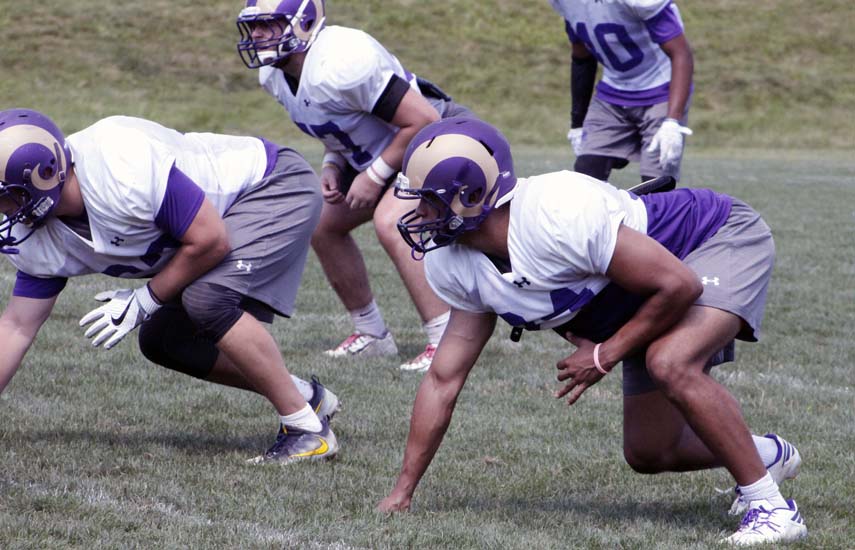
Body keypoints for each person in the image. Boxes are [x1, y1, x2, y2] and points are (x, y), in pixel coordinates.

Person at [376, 118, 807, 546]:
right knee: (650, 452)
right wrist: (402, 492)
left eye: (428, 201)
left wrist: (605, 354)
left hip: (710, 240)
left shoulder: (556, 212)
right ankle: (766, 455)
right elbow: (443, 379)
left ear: (470, 197)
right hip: (641, 298)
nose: (417, 215)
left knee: (671, 362)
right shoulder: (455, 262)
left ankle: (772, 509)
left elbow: (678, 285)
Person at [0, 108, 340, 465]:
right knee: (165, 341)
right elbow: (16, 326)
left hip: (271, 185)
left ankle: (306, 430)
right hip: (221, 223)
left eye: (6, 196)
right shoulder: (34, 235)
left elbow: (210, 240)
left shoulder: (118, 162)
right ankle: (307, 397)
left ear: (42, 177)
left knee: (206, 300)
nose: (4, 210)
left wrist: (145, 299)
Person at [236, 0, 475, 372]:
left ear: (304, 21)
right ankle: (372, 334)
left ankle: (444, 339)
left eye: (269, 23)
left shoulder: (342, 60)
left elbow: (423, 119)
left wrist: (374, 175)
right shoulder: (275, 76)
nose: (258, 35)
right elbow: (338, 126)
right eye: (254, 25)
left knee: (393, 220)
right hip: (390, 153)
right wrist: (333, 164)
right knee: (321, 222)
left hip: (439, 139)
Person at [550, 0, 694, 184]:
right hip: (613, 94)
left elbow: (681, 53)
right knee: (585, 179)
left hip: (661, 91)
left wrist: (673, 121)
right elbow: (582, 58)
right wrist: (577, 124)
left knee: (656, 189)